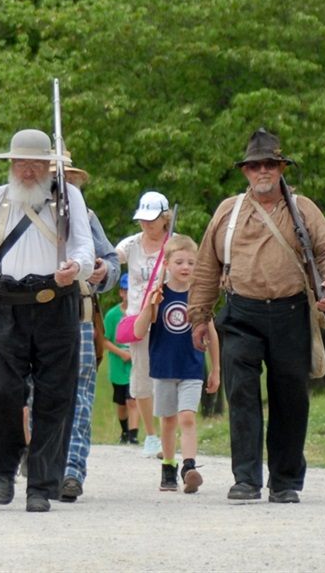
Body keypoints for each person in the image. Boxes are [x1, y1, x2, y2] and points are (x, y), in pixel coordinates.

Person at [188, 128, 325, 504]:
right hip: (241, 312)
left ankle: (285, 481)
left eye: (270, 164)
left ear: (280, 168)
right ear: (245, 171)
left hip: (291, 312)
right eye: (255, 165)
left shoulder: (303, 208)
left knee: (290, 397)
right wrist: (198, 316)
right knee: (241, 394)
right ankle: (245, 478)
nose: (263, 171)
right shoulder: (228, 211)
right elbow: (206, 266)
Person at [0, 128, 94, 512]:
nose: (28, 171)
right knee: (0, 391)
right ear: (12, 165)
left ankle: (41, 484)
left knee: (55, 398)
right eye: (21, 163)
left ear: (50, 166)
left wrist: (76, 266)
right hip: (7, 308)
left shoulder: (70, 197)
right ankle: (4, 467)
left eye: (35, 163)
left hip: (56, 304)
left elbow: (83, 243)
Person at [133, 233, 220, 493]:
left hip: (191, 367)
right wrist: (151, 306)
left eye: (192, 263)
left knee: (187, 417)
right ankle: (168, 466)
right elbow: (138, 330)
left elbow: (211, 333)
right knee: (168, 421)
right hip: (163, 368)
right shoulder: (158, 294)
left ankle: (189, 467)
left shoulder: (198, 297)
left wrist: (215, 368)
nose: (186, 267)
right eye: (180, 262)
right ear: (167, 265)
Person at [58, 157, 120, 503]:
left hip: (80, 315)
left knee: (80, 396)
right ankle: (47, 463)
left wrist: (101, 272)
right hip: (34, 317)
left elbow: (111, 261)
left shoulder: (89, 218)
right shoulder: (18, 214)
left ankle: (72, 470)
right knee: (39, 395)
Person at [116, 190, 170, 459]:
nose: (147, 224)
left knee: (168, 376)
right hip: (140, 319)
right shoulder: (132, 244)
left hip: (168, 319)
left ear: (164, 218)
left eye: (152, 219)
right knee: (141, 377)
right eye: (143, 219)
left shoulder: (175, 244)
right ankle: (151, 435)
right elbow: (113, 258)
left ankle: (168, 432)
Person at [103, 274, 138, 444]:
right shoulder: (112, 315)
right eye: (126, 291)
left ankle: (134, 434)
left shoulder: (140, 313)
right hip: (119, 365)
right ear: (121, 293)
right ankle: (124, 431)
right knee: (121, 403)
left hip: (135, 365)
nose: (129, 294)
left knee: (132, 400)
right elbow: (104, 340)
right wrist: (121, 352)